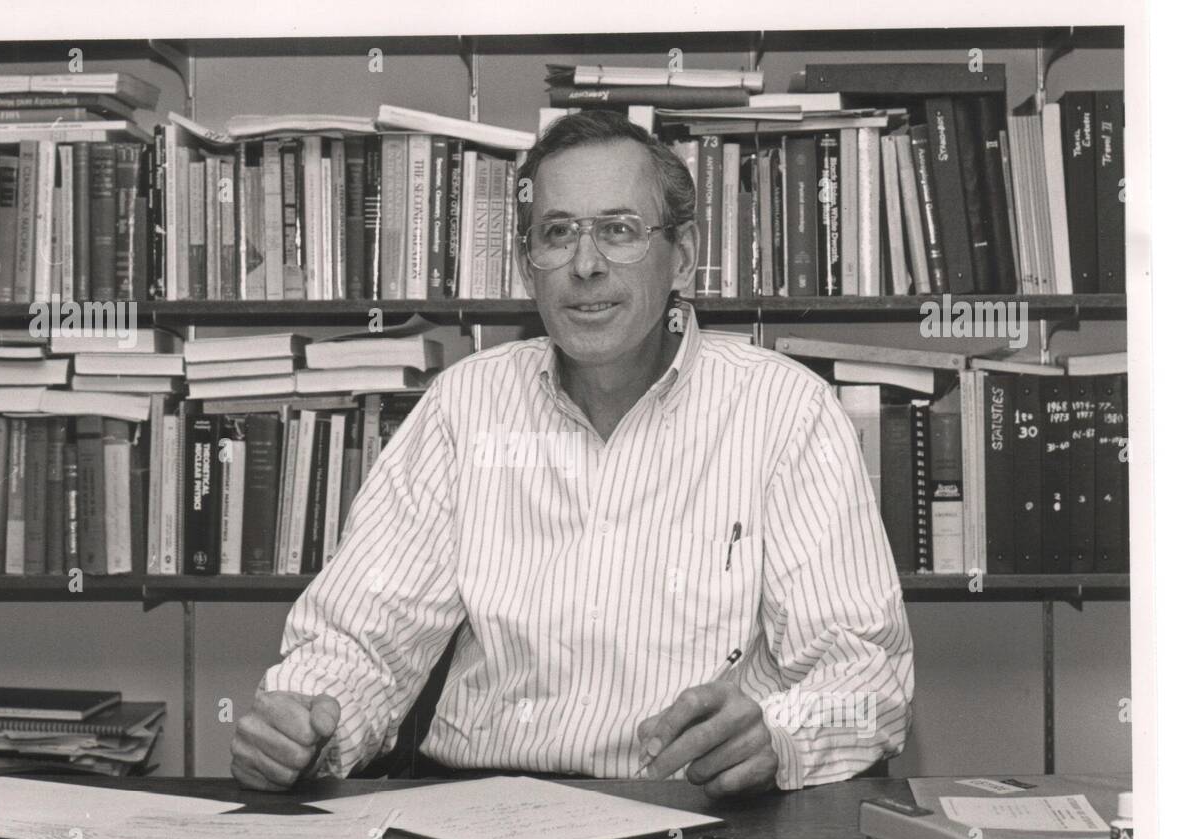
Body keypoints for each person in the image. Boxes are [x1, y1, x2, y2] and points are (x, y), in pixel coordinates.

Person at [231, 110, 913, 798]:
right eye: (558, 233)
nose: (586, 265)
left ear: (683, 255)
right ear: (529, 265)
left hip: (697, 815)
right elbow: (364, 641)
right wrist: (307, 722)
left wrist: (779, 732)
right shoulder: (464, 406)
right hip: (479, 808)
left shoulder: (785, 412)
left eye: (619, 231)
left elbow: (867, 673)